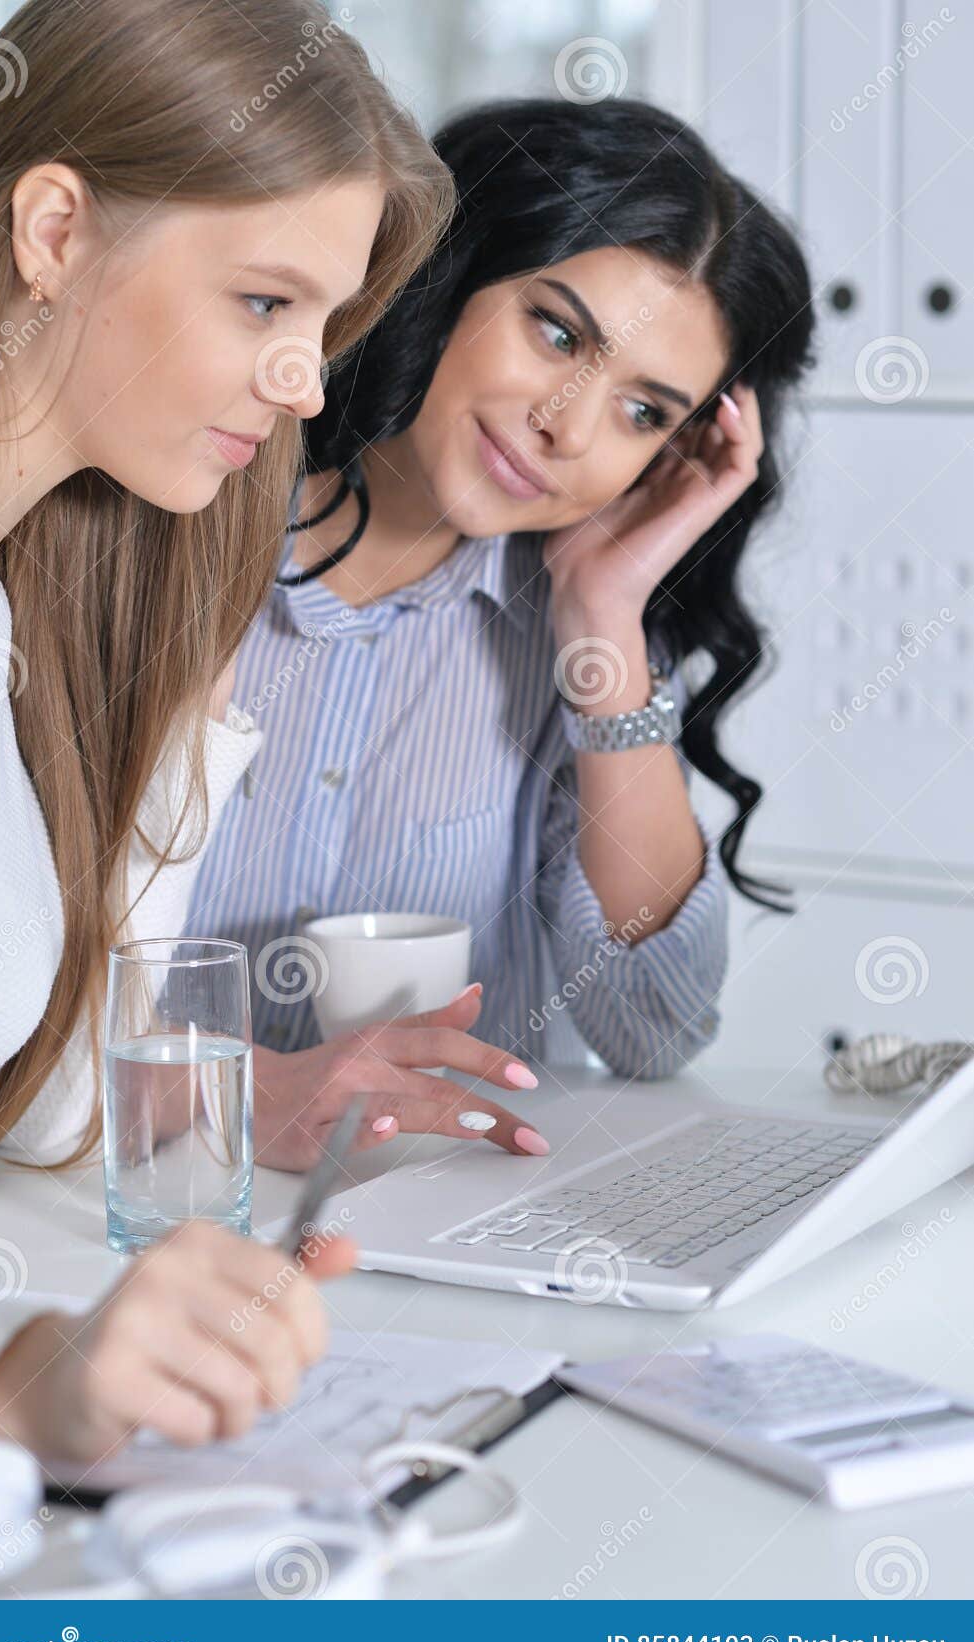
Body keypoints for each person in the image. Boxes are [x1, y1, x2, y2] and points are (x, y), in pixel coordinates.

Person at [0, 0, 454, 1454]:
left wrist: (185, 723)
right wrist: (2, 1373)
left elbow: (49, 1105)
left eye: (324, 325)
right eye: (266, 303)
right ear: (53, 232)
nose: (308, 382)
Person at [186, 96, 817, 1171]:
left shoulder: (580, 652)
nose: (565, 427)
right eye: (557, 333)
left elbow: (654, 1028)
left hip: (435, 1216)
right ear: (449, 268)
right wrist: (240, 1095)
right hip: (133, 1204)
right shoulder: (181, 542)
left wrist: (604, 621)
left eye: (643, 413)